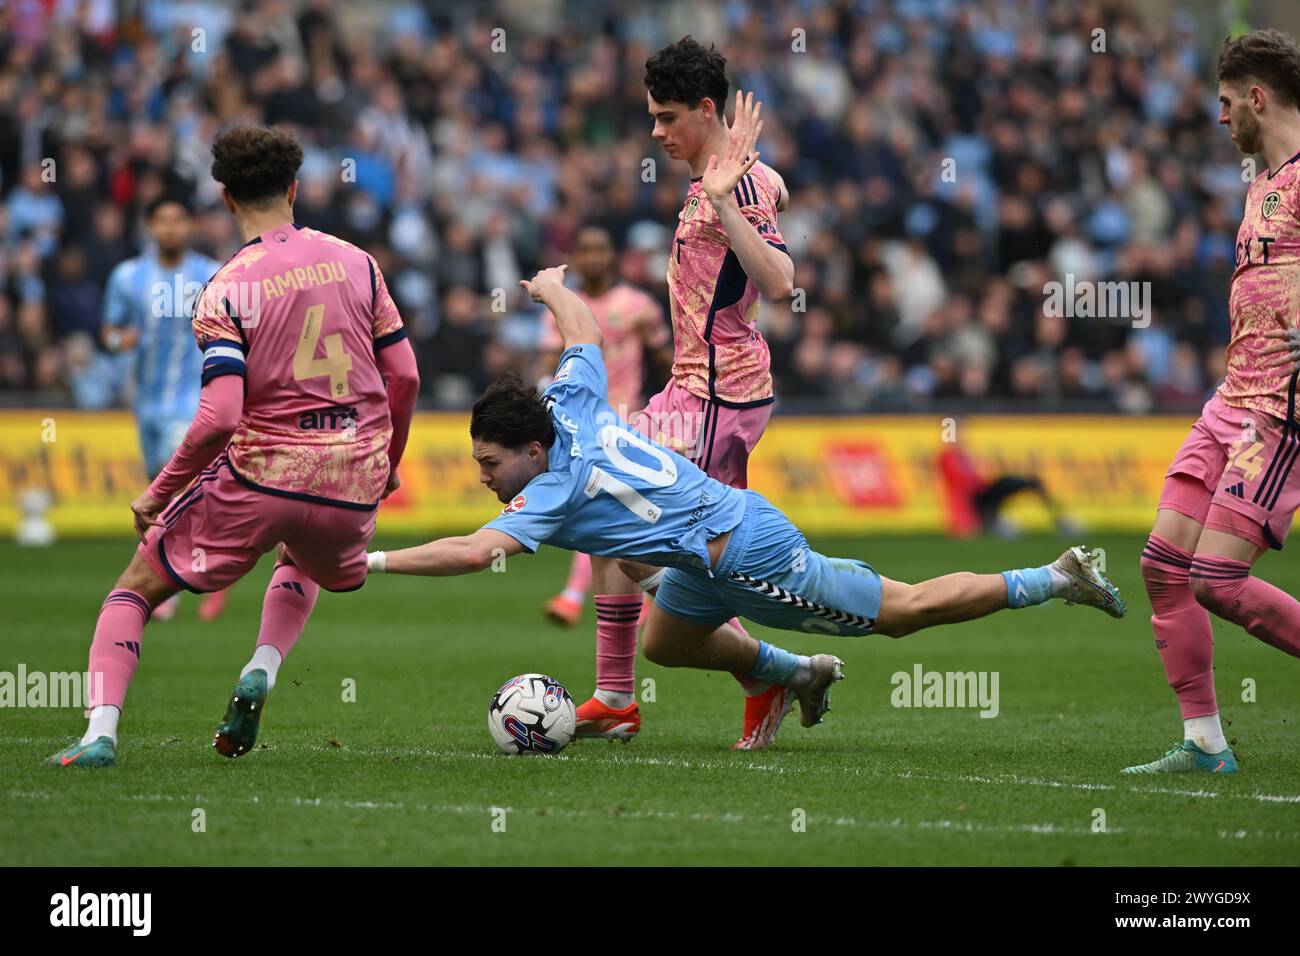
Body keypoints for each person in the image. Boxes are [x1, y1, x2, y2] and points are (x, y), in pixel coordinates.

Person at [365, 267, 1126, 745]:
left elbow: (471, 551)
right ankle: (789, 673)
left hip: (747, 553)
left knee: (901, 610)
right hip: (706, 543)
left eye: (489, 465)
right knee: (664, 640)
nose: (482, 478)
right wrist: (553, 284)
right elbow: (584, 329)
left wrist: (367, 560)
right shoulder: (573, 398)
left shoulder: (551, 490)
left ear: (530, 452)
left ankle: (1056, 576)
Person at [45, 125, 420, 768]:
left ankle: (98, 736)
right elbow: (406, 376)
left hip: (265, 474)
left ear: (225, 199)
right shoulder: (360, 262)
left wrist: (158, 492)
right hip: (351, 476)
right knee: (300, 559)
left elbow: (221, 415)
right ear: (295, 188)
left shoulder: (224, 288)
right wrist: (388, 464)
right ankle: (262, 668)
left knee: (131, 592)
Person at [579, 37, 798, 750]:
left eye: (668, 117)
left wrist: (729, 200)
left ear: (708, 111)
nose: (656, 131)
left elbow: (780, 282)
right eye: (652, 116)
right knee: (613, 512)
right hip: (689, 390)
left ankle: (769, 673)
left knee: (677, 551)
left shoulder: (734, 184)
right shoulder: (727, 173)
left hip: (718, 401)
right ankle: (617, 695)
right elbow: (778, 194)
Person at [1128, 30, 1300, 775]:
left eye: (1227, 102)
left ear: (1257, 98)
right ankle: (1204, 744)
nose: (1219, 116)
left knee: (1216, 579)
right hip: (1231, 399)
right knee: (1165, 565)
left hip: (1279, 410)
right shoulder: (1263, 181)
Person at [538, 223, 671, 627]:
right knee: (603, 507)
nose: (593, 257)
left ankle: (578, 596)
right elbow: (548, 363)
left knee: (614, 508)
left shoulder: (636, 304)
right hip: (582, 422)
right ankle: (644, 591)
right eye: (586, 249)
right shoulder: (565, 306)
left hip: (628, 420)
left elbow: (664, 355)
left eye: (600, 248)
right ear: (575, 257)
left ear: (611, 255)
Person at [102, 195, 227, 620]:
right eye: (162, 221)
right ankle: (207, 566)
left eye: (178, 220)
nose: (170, 228)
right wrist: (122, 341)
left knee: (170, 490)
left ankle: (168, 585)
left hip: (194, 400)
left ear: (190, 225)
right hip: (147, 403)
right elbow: (110, 333)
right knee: (159, 486)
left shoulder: (211, 274)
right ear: (150, 226)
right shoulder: (127, 277)